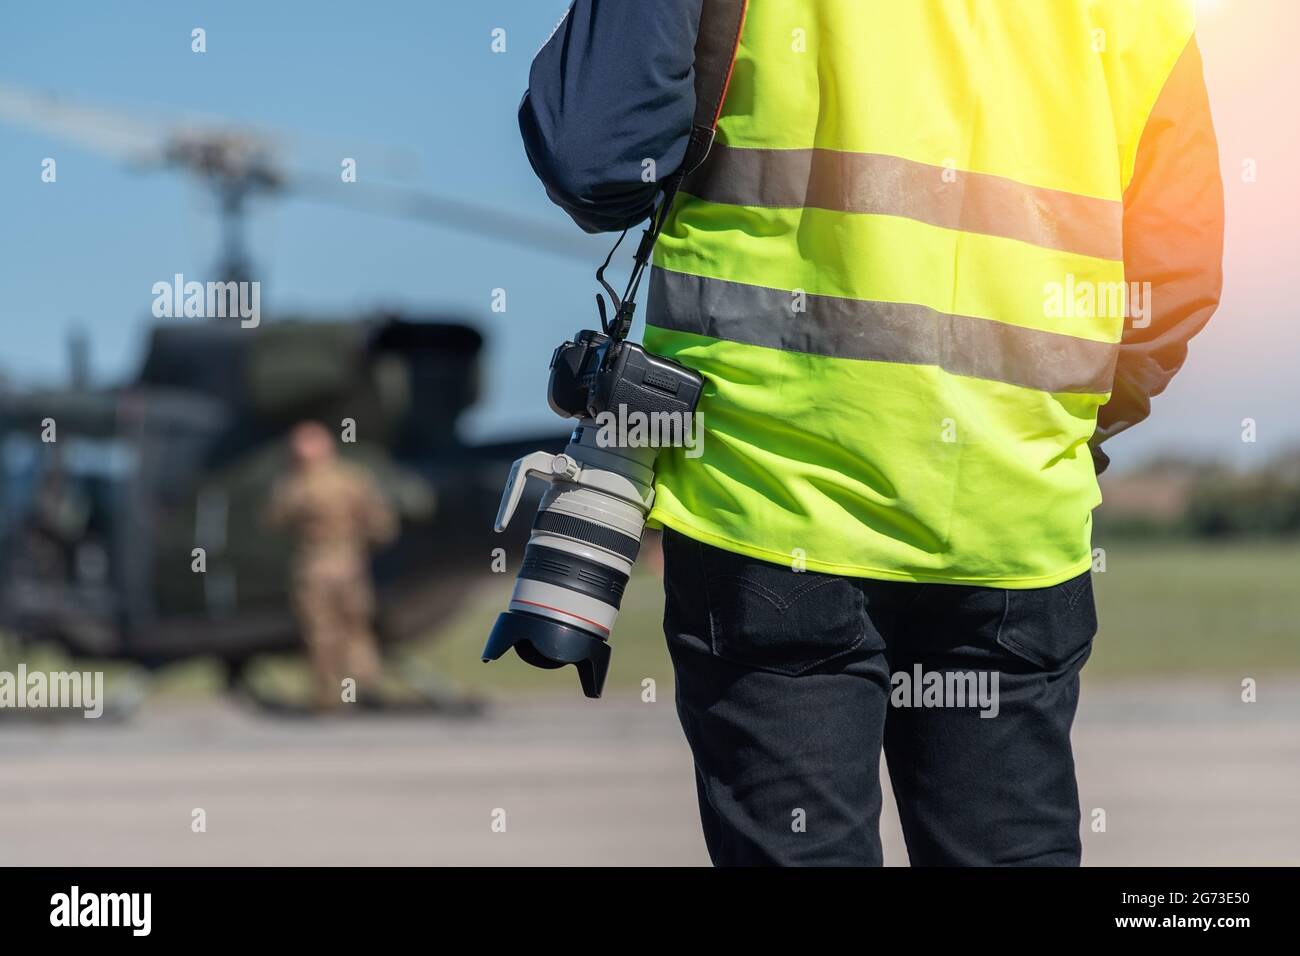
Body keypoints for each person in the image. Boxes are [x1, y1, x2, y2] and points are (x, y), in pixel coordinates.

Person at [520, 0, 1223, 865]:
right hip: (1014, 519)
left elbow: (592, 157)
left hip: (770, 506)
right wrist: (1059, 425)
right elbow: (1177, 274)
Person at [266, 421, 398, 710]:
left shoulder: (294, 485)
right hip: (351, 563)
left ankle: (329, 696)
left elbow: (274, 521)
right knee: (356, 628)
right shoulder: (354, 478)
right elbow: (381, 525)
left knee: (322, 632)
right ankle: (366, 688)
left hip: (313, 566)